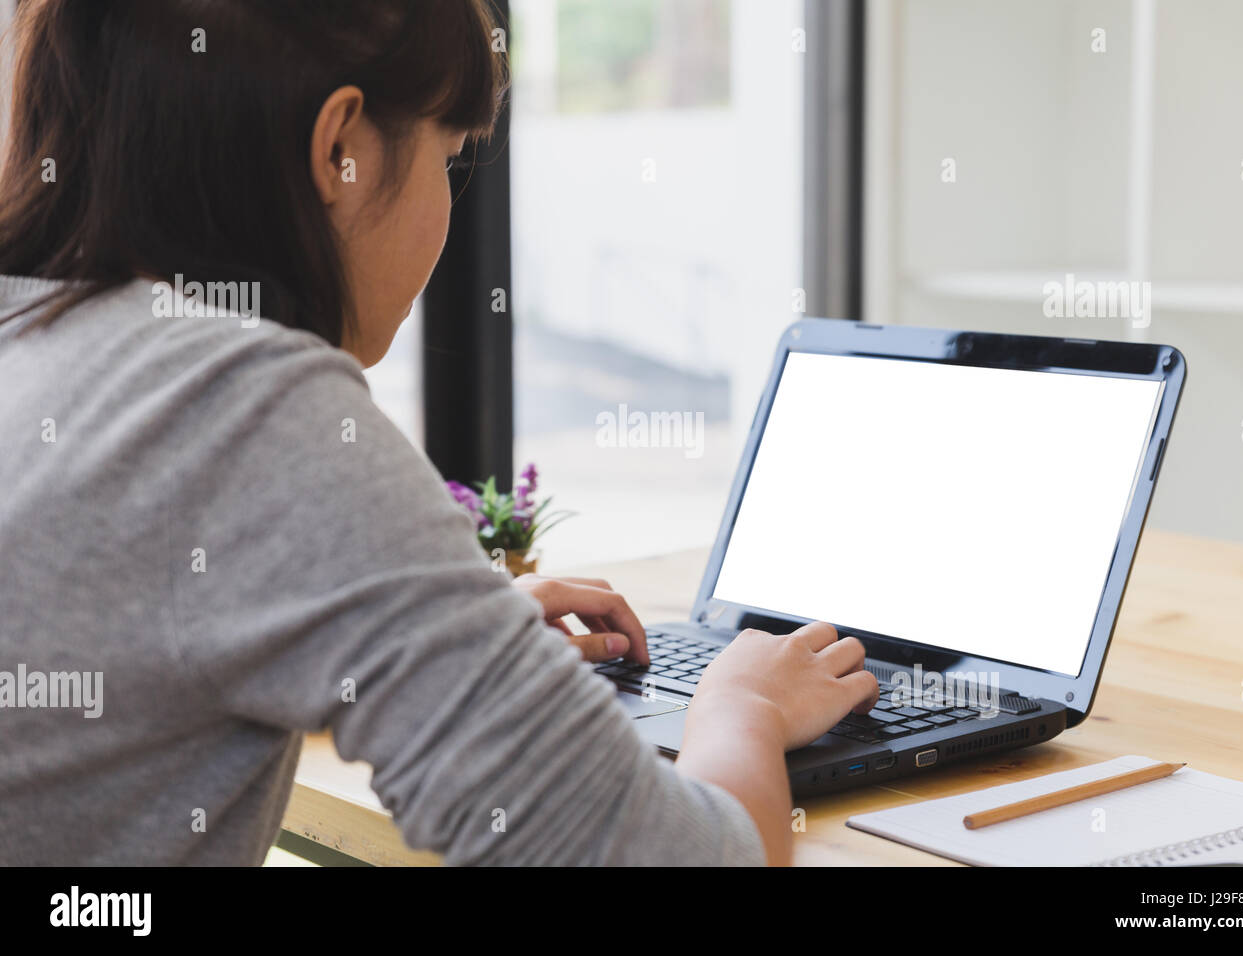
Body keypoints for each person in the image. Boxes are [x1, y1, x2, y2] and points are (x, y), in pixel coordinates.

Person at [0, 0, 876, 866]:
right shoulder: (241, 409)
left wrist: (440, 642)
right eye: (449, 158)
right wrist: (741, 709)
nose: (447, 210)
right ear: (340, 150)